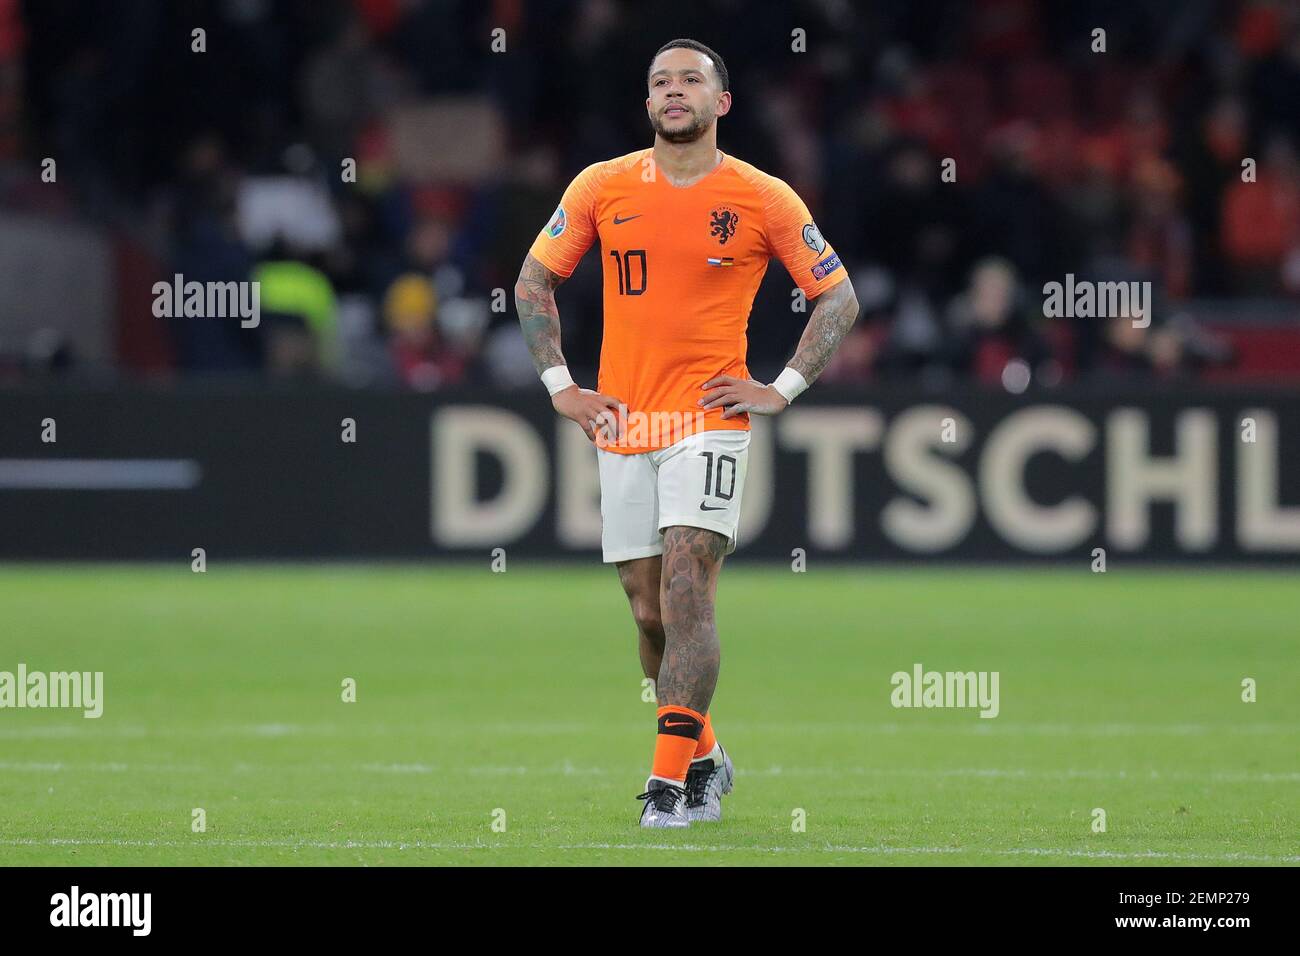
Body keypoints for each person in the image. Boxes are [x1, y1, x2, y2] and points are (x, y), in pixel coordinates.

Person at [514, 39, 858, 828]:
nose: (675, 91)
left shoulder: (763, 196)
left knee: (685, 588)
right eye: (661, 82)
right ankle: (704, 755)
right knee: (647, 614)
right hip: (623, 422)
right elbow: (535, 280)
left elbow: (837, 298)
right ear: (647, 104)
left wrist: (783, 387)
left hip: (709, 422)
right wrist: (562, 388)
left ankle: (667, 790)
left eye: (691, 80)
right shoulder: (602, 185)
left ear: (721, 103)